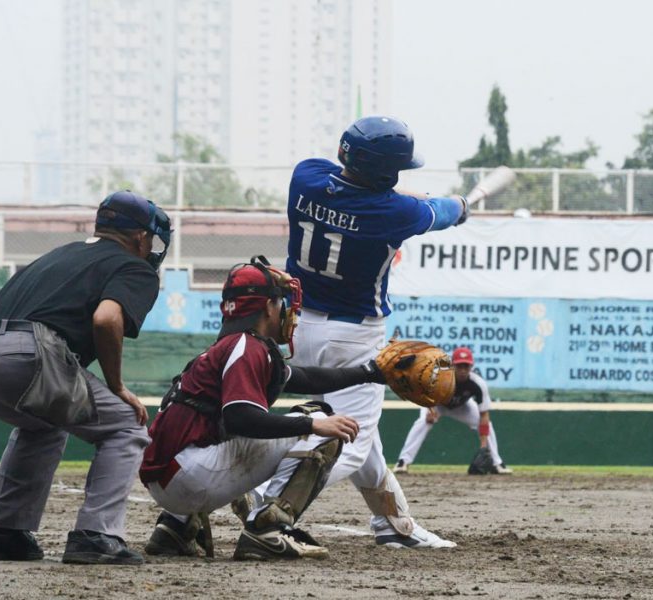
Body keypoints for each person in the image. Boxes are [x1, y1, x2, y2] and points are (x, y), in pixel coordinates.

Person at [0, 190, 171, 565]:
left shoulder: (63, 253)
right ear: (140, 237)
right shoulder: (135, 266)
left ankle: (4, 533)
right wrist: (116, 386)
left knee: (43, 423)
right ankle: (96, 536)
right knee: (127, 427)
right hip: (25, 355)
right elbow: (106, 319)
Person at [280, 115, 469, 549]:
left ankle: (394, 524)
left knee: (366, 435)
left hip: (296, 328)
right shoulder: (395, 212)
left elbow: (362, 192)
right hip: (353, 336)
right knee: (354, 442)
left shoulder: (306, 176)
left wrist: (401, 192)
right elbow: (441, 212)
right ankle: (265, 504)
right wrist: (460, 205)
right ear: (387, 171)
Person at [139, 257, 385, 560]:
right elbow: (241, 417)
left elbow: (306, 377)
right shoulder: (247, 347)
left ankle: (174, 529)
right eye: (280, 302)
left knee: (304, 418)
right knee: (320, 421)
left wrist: (370, 372)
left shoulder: (229, 346)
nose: (286, 310)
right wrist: (312, 426)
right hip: (191, 475)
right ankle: (268, 528)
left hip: (168, 479)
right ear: (268, 307)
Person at [394, 347, 512, 475]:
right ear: (452, 365)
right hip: (437, 404)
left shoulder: (477, 383)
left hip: (462, 406)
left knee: (486, 424)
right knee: (423, 422)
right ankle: (403, 462)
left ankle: (497, 463)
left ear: (471, 367)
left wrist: (483, 446)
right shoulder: (439, 376)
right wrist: (431, 409)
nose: (462, 370)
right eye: (459, 366)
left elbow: (484, 415)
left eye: (466, 366)